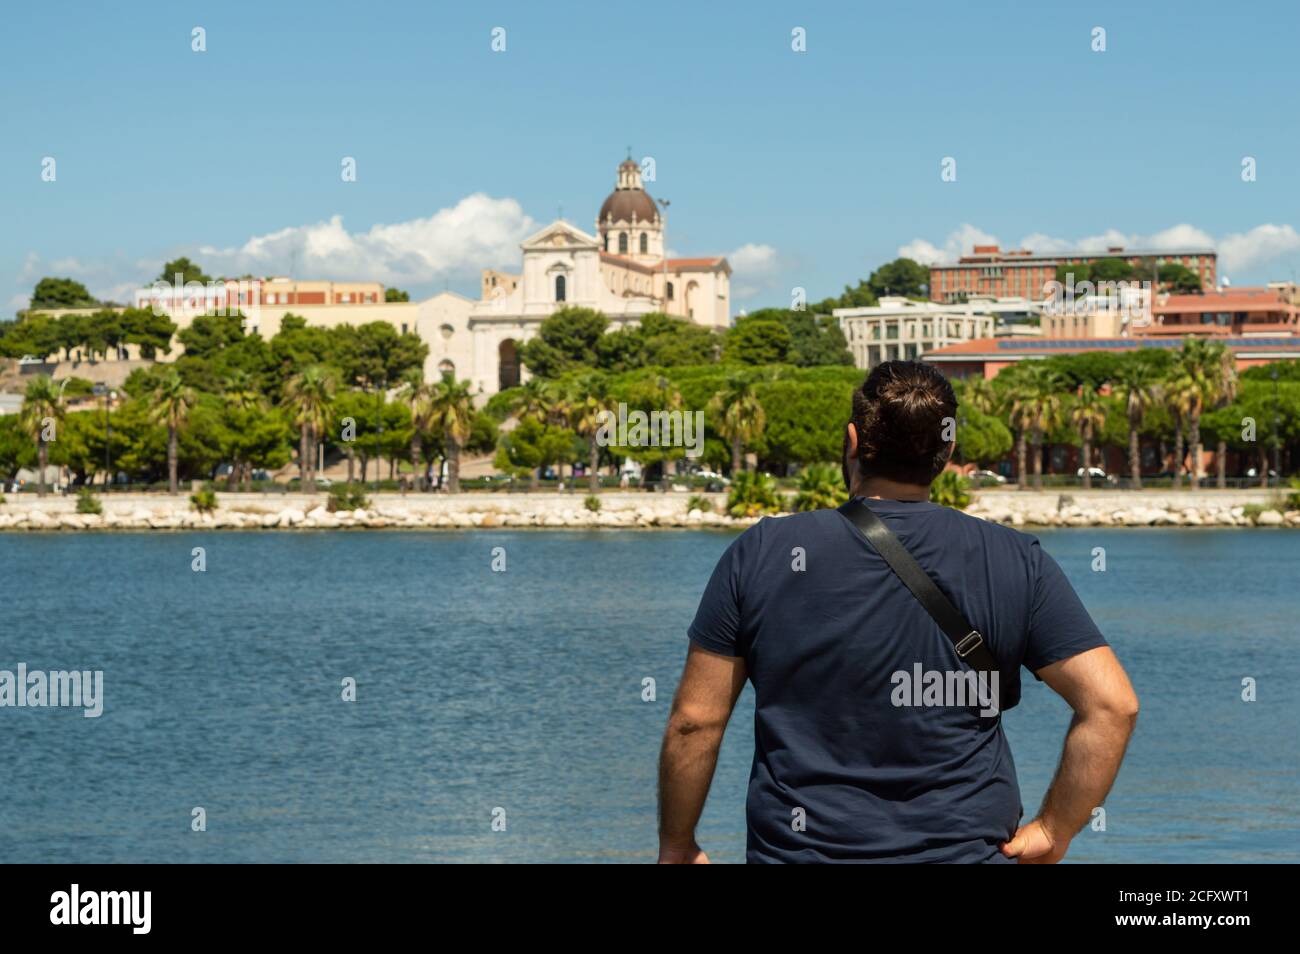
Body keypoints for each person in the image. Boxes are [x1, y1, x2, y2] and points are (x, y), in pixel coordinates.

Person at [657, 360, 1138, 864]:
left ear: (851, 441)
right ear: (947, 449)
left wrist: (677, 845)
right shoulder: (1017, 559)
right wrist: (1054, 830)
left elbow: (696, 722)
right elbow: (1111, 706)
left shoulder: (761, 552)